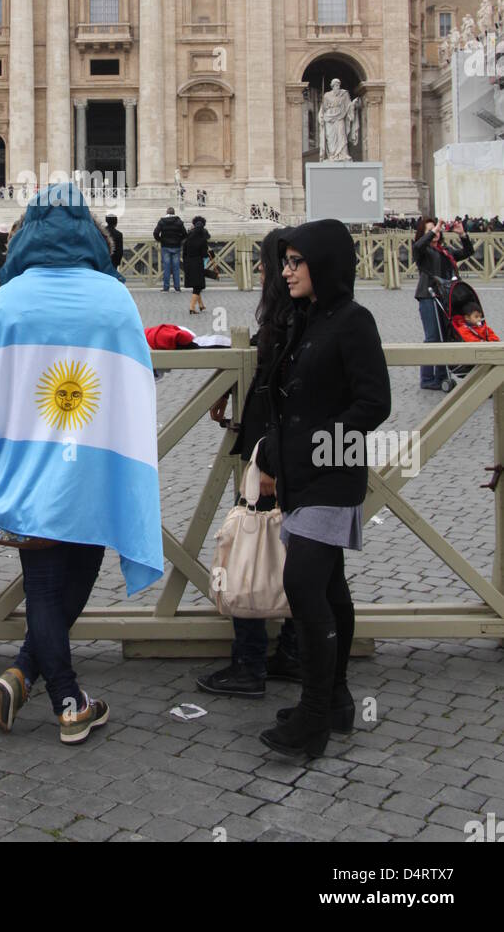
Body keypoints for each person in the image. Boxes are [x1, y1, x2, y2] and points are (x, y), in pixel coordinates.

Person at [0, 183, 162, 744]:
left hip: (30, 460)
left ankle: (25, 675)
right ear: (88, 231)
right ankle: (69, 701)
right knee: (78, 568)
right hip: (95, 462)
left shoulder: (9, 297)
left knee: (45, 584)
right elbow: (136, 379)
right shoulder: (113, 297)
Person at [257, 219, 391, 760]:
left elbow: (374, 403)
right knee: (331, 588)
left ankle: (313, 717)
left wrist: (317, 441)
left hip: (332, 475)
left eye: (295, 262)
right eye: (284, 261)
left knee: (305, 585)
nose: (285, 271)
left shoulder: (355, 321)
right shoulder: (306, 318)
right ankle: (335, 701)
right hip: (299, 477)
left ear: (325, 265)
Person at [197, 230, 298, 698]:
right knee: (293, 550)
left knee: (249, 545)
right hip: (278, 446)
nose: (260, 270)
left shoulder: (288, 317)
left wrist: (273, 459)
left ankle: (250, 663)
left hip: (272, 451)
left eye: (265, 263)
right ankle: (293, 653)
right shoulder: (292, 314)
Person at [412, 217, 474, 390]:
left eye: (438, 230)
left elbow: (468, 252)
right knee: (432, 338)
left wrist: (463, 234)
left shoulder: (444, 250)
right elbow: (417, 246)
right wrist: (434, 228)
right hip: (428, 296)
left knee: (444, 337)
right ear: (423, 234)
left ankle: (440, 376)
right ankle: (427, 378)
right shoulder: (422, 251)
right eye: (431, 231)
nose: (436, 234)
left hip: (446, 297)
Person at [153, 206, 187, 293]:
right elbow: (185, 234)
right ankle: (177, 288)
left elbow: (156, 233)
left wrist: (160, 240)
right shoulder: (179, 222)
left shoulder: (162, 221)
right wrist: (179, 240)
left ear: (166, 213)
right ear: (174, 213)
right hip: (176, 246)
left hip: (166, 246)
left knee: (167, 268)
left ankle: (166, 288)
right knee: (176, 268)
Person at [183, 215, 209, 315]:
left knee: (196, 285)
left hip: (188, 262)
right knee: (198, 285)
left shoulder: (188, 238)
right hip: (197, 263)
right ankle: (192, 307)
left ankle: (201, 305)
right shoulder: (202, 239)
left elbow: (184, 252)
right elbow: (204, 254)